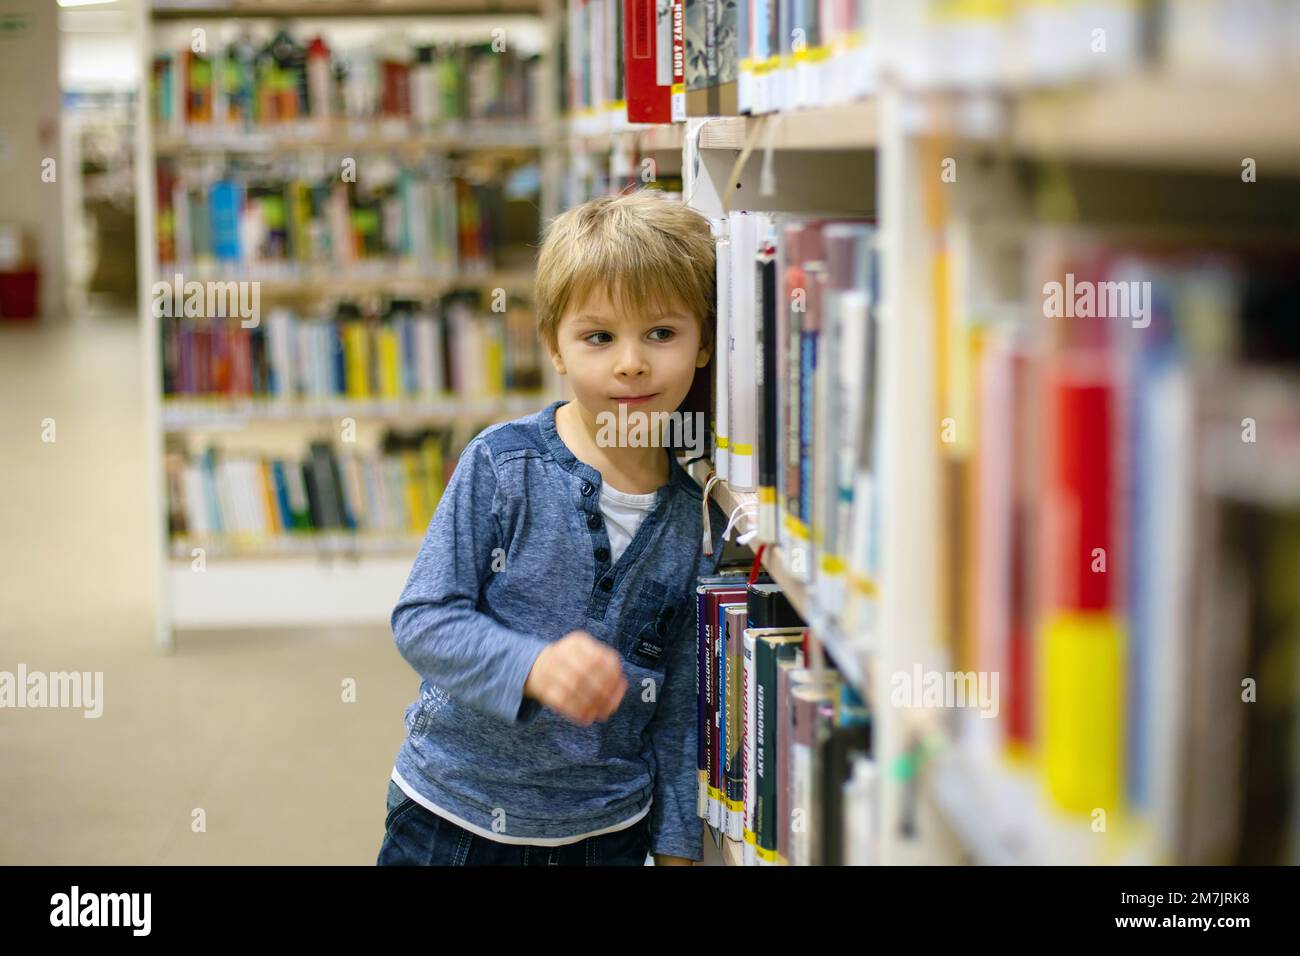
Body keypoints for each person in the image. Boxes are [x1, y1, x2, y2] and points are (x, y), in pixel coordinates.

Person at [377, 192, 728, 866]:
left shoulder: (696, 523)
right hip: (450, 814)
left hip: (602, 838)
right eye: (599, 336)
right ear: (555, 347)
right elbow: (422, 619)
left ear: (705, 341)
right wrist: (531, 665)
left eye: (662, 333)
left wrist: (679, 849)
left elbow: (682, 711)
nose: (631, 363)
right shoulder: (502, 464)